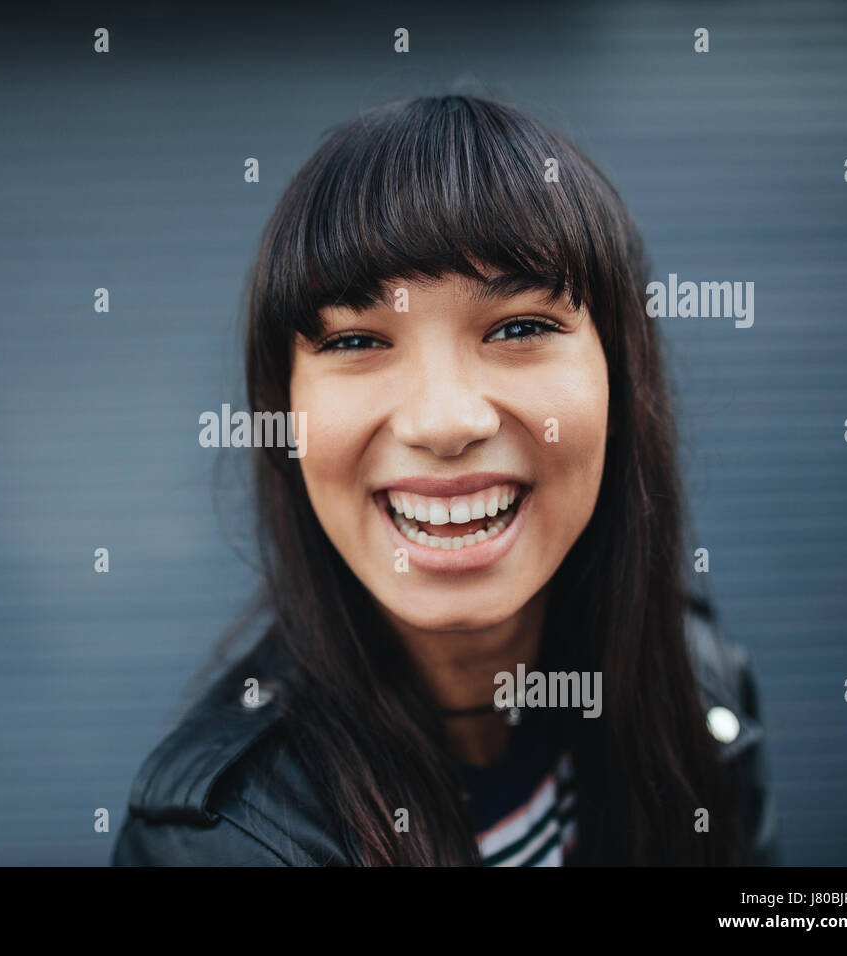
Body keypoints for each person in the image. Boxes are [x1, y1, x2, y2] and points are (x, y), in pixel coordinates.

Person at [113, 94, 780, 866]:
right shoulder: (211, 844)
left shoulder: (703, 686)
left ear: (621, 385)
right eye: (358, 339)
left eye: (520, 327)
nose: (443, 421)